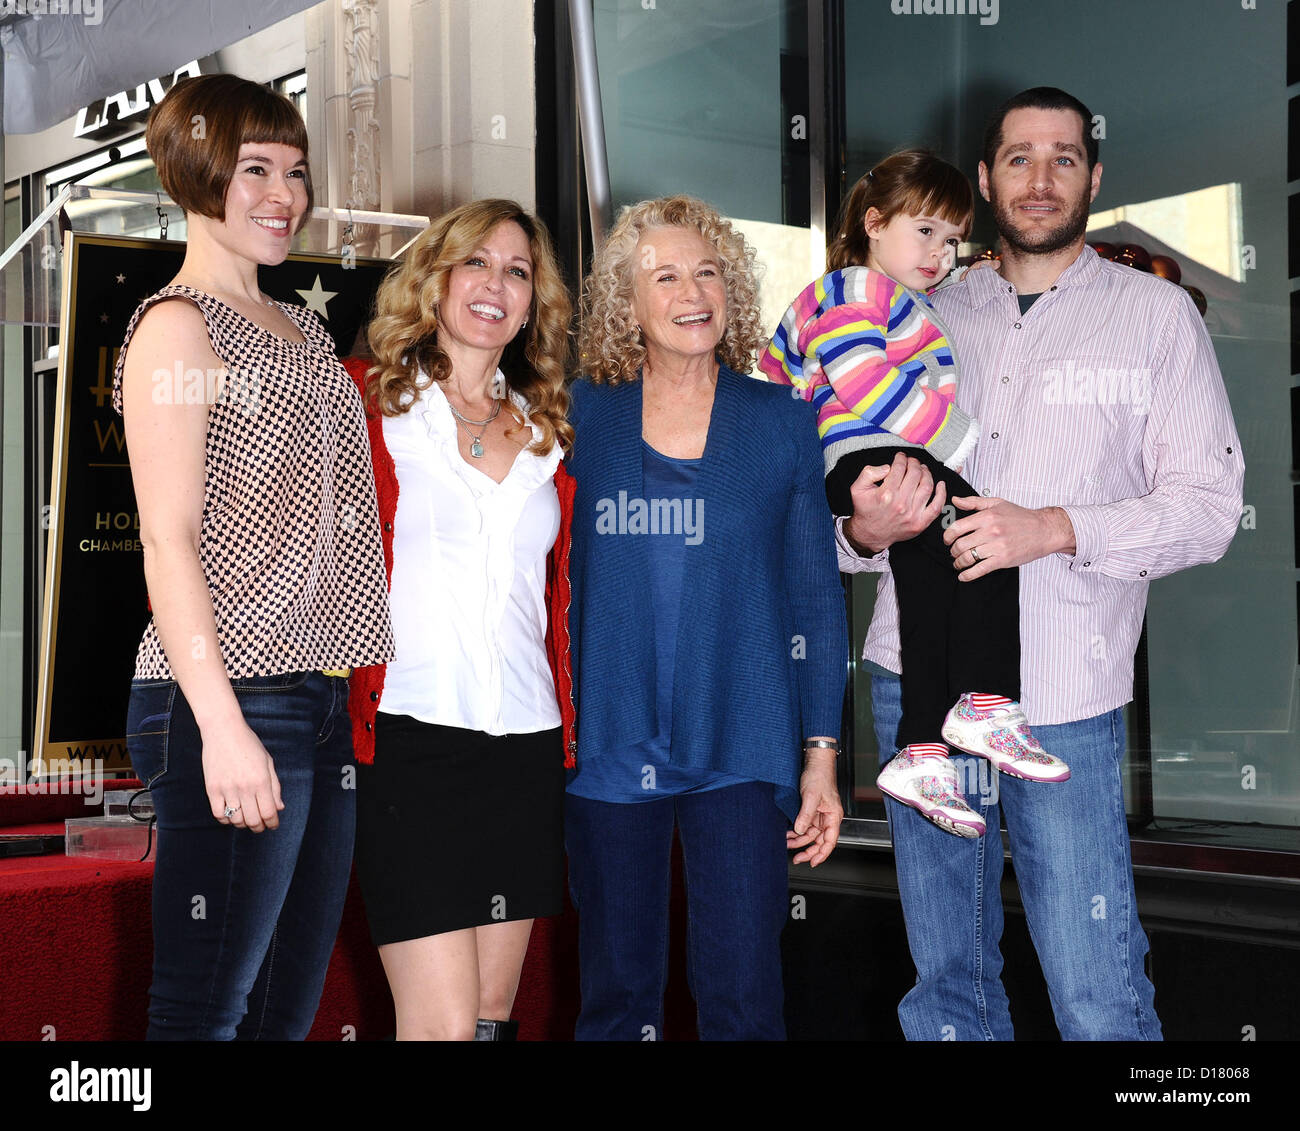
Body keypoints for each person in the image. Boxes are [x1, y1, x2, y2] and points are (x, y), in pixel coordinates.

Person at [838, 87, 1244, 1040]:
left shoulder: (1154, 318)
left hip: (1064, 699)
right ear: (983, 181)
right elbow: (839, 513)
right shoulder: (915, 313)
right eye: (1018, 157)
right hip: (919, 691)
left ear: (1094, 178)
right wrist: (863, 531)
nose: (1041, 177)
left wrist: (1053, 527)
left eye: (1064, 157)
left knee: (1096, 990)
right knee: (946, 988)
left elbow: (1209, 510)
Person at [114, 73, 394, 1040]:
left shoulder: (309, 330)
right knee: (203, 1009)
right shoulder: (176, 327)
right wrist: (222, 725)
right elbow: (168, 540)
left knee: (284, 1013)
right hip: (227, 695)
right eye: (256, 170)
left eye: (298, 172)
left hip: (319, 694)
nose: (286, 193)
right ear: (197, 174)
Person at [565, 194, 847, 1040]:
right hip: (610, 741)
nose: (693, 291)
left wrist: (822, 756)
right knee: (617, 994)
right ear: (628, 302)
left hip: (742, 739)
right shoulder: (578, 415)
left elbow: (815, 597)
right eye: (666, 275)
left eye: (709, 270)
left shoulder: (784, 422)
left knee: (743, 994)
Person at [760, 150, 1069, 840]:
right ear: (873, 222)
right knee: (987, 543)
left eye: (953, 239)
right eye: (924, 231)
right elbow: (866, 381)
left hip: (876, 457)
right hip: (870, 453)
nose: (940, 252)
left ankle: (923, 751)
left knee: (931, 592)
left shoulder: (898, 298)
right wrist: (954, 437)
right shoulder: (849, 290)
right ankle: (988, 702)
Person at [345, 200, 575, 1041]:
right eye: (476, 262)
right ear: (434, 278)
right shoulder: (368, 404)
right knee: (438, 1022)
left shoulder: (550, 429)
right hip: (409, 739)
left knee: (489, 1017)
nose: (496, 284)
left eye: (517, 271)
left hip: (524, 744)